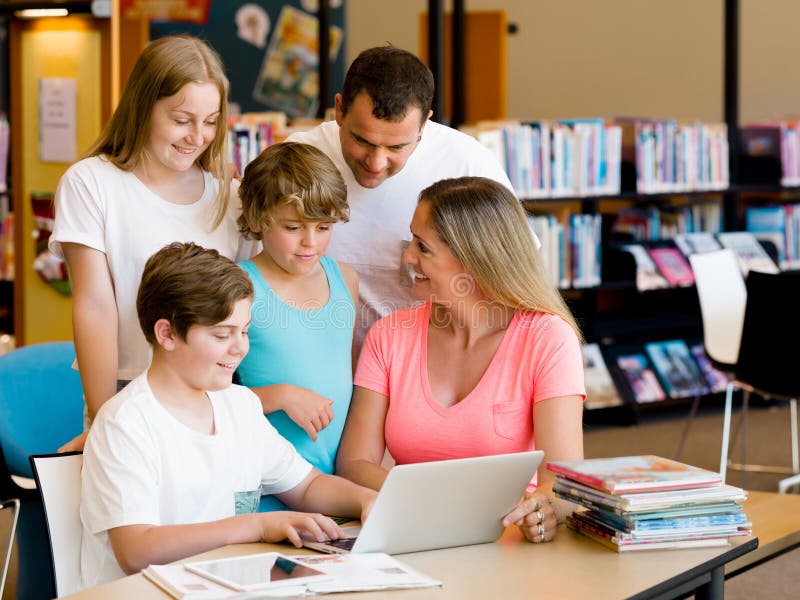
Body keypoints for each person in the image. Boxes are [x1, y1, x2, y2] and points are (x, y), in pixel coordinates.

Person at [80, 242, 376, 589]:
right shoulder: (126, 422)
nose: (240, 348)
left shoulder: (239, 405)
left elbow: (308, 486)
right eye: (222, 334)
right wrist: (258, 526)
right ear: (167, 334)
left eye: (245, 331)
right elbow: (135, 549)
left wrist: (367, 500)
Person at [335, 177, 585, 544]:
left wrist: (544, 510)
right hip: (413, 536)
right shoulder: (388, 336)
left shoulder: (548, 338)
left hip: (510, 543)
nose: (407, 257)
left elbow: (561, 479)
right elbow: (354, 463)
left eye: (423, 247)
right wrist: (431, 502)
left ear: (473, 258)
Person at [50, 35, 259, 451]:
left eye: (212, 121)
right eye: (182, 120)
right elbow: (94, 305)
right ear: (143, 107)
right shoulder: (92, 183)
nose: (197, 136)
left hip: (212, 399)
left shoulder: (229, 197)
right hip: (127, 391)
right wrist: (104, 417)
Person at [287, 45, 526, 345]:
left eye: (396, 148)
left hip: (430, 363)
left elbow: (515, 281)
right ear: (339, 109)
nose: (375, 163)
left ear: (425, 123)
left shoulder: (468, 165)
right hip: (324, 361)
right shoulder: (296, 159)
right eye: (362, 140)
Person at [235, 142, 357, 510]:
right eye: (293, 227)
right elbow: (203, 401)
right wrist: (282, 395)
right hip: (263, 490)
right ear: (257, 219)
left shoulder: (346, 280)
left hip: (337, 487)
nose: (311, 242)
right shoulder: (237, 288)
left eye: (323, 227)